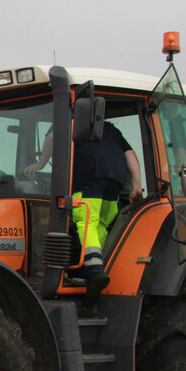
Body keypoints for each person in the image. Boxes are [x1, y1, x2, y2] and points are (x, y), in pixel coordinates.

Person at [71, 121, 142, 307]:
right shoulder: (111, 130)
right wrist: (136, 185)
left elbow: (52, 139)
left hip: (90, 174)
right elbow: (130, 154)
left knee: (85, 221)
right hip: (115, 180)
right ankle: (98, 267)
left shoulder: (69, 121)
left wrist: (41, 162)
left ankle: (94, 270)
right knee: (100, 224)